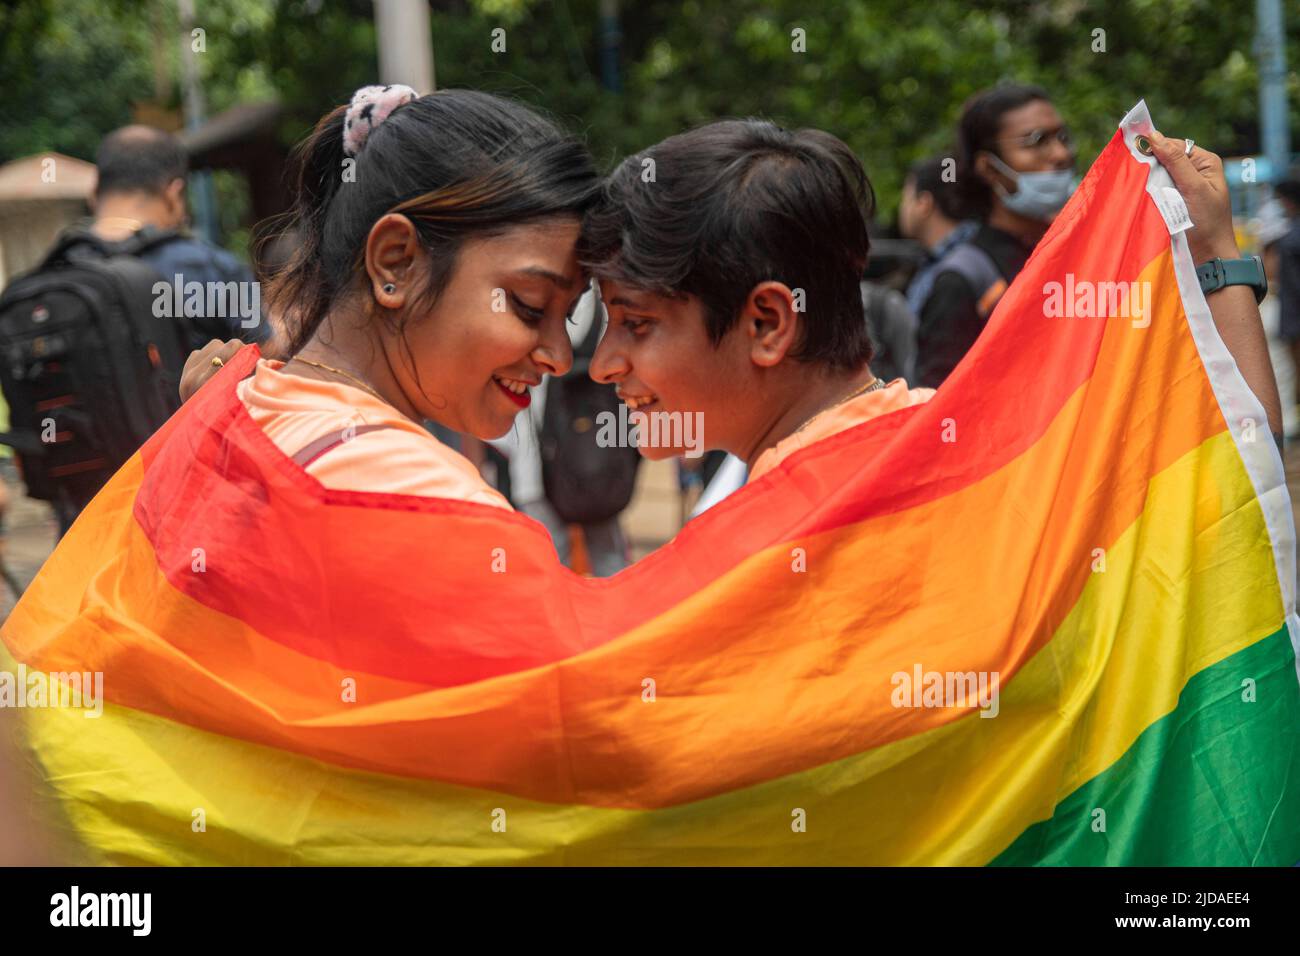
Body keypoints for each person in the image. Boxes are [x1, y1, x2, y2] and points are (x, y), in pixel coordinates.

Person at [915, 85, 1075, 388]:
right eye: (1037, 141)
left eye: (1062, 137)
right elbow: (939, 408)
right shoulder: (964, 280)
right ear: (989, 168)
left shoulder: (1078, 252)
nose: (1061, 154)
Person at [89, 125, 276, 353]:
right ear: (174, 193)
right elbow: (266, 353)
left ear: (94, 194)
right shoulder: (210, 268)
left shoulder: (60, 263)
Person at [899, 155, 977, 329]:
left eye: (906, 197)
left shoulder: (954, 270)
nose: (903, 208)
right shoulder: (974, 251)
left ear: (923, 203)